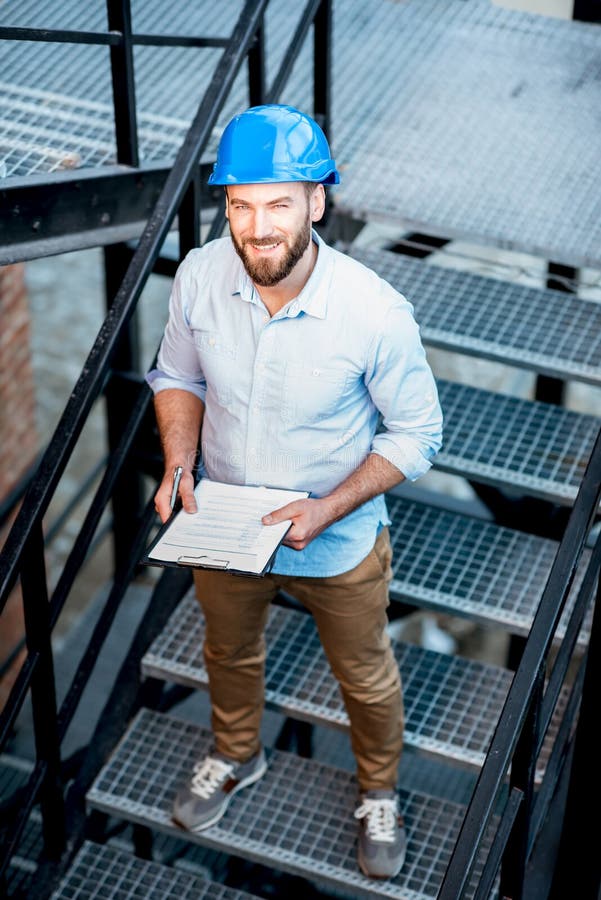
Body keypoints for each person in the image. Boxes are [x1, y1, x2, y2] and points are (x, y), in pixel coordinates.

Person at [147, 104, 443, 880]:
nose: (258, 227)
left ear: (317, 202)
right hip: (224, 522)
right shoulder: (200, 276)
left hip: (337, 538)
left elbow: (416, 435)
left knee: (365, 675)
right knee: (226, 649)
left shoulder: (375, 313)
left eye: (279, 203)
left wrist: (328, 507)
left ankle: (377, 790)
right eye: (241, 206)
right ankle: (237, 755)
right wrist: (179, 461)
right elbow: (176, 376)